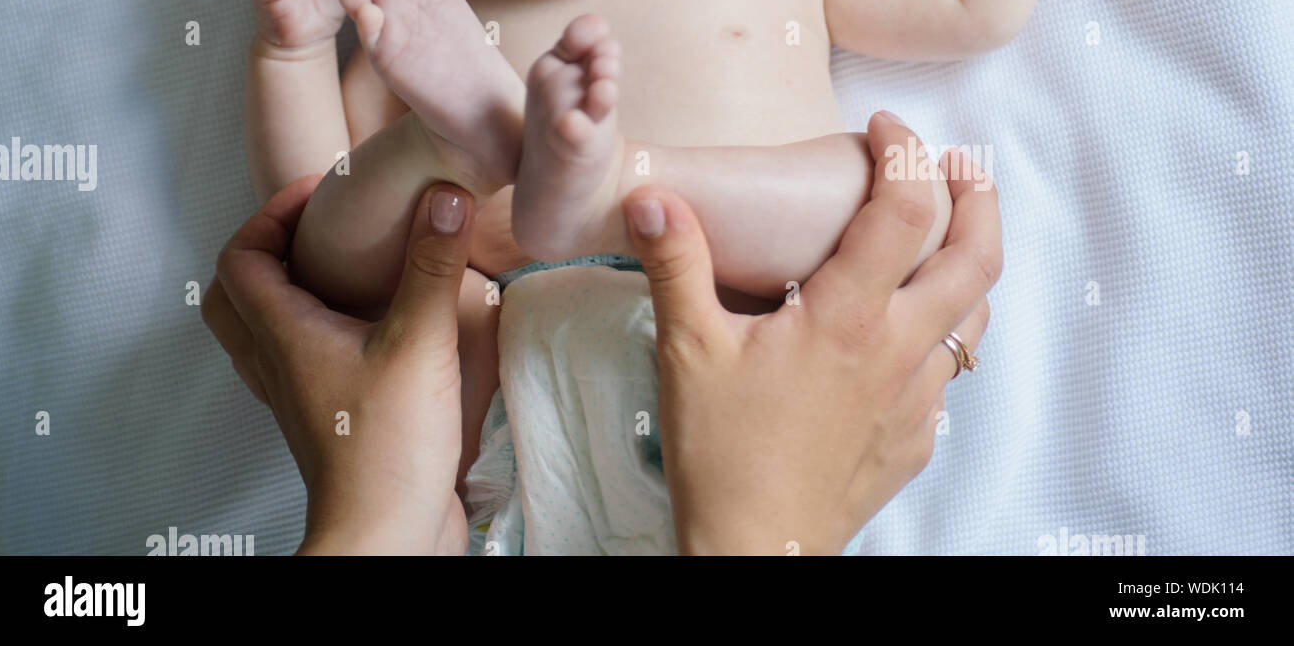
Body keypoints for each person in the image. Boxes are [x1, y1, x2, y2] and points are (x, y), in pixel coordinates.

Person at [203, 112, 997, 555]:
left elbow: (307, 207)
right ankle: (623, 188)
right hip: (747, 402)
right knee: (896, 209)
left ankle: (446, 143)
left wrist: (292, 46)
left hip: (501, 446)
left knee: (361, 292)